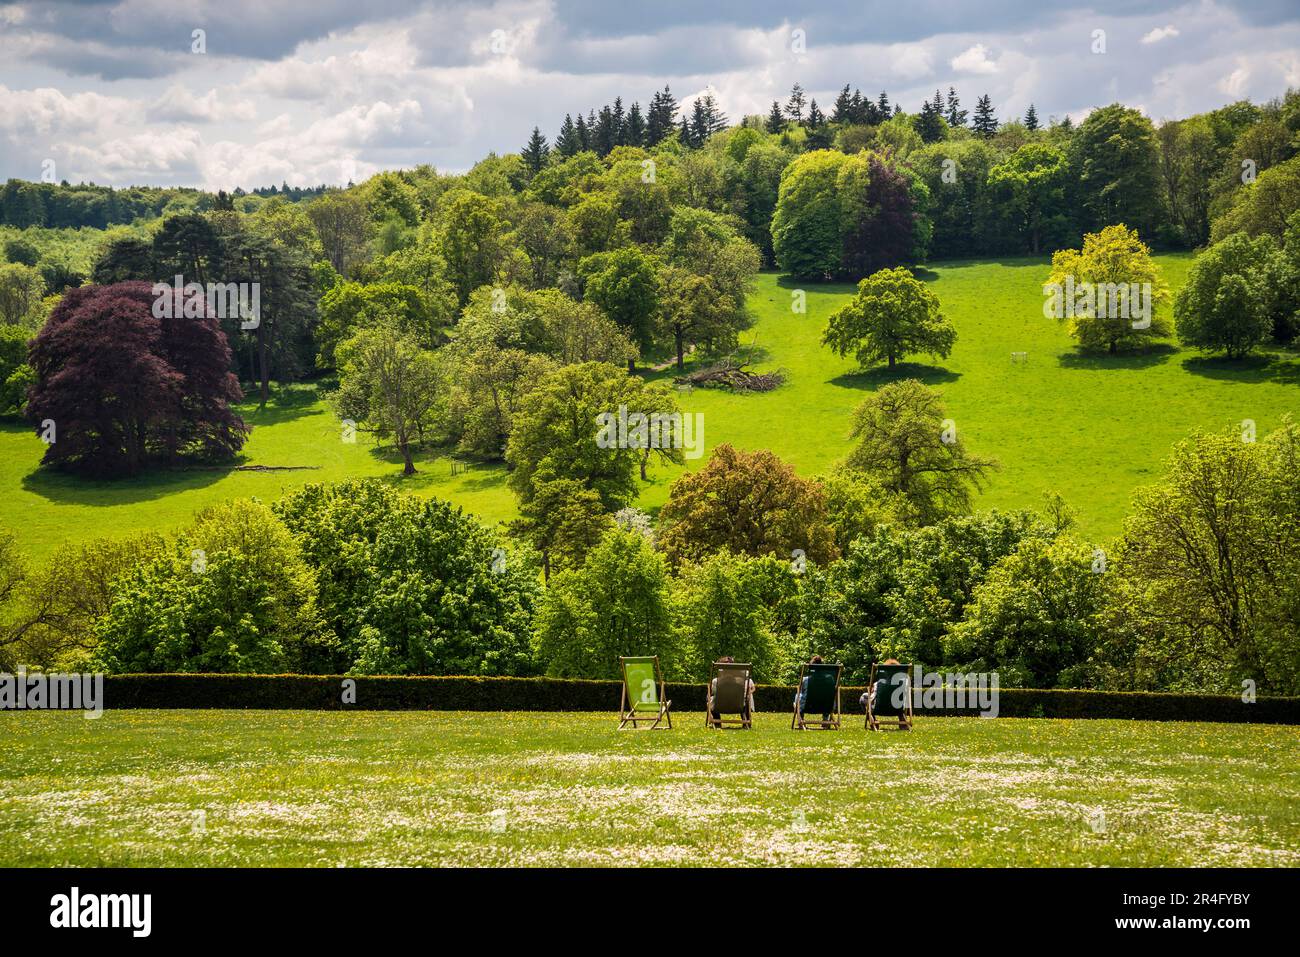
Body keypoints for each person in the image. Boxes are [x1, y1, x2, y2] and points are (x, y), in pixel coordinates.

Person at [707, 656, 756, 722]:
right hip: (739, 706)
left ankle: (717, 722)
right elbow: (750, 690)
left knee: (709, 698)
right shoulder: (742, 681)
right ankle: (746, 722)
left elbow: (713, 692)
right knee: (746, 699)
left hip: (719, 706)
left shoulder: (715, 681)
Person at [794, 654, 831, 723]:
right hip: (825, 707)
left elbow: (802, 693)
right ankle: (825, 719)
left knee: (797, 695)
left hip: (807, 707)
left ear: (811, 668)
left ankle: (801, 719)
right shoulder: (830, 679)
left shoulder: (805, 680)